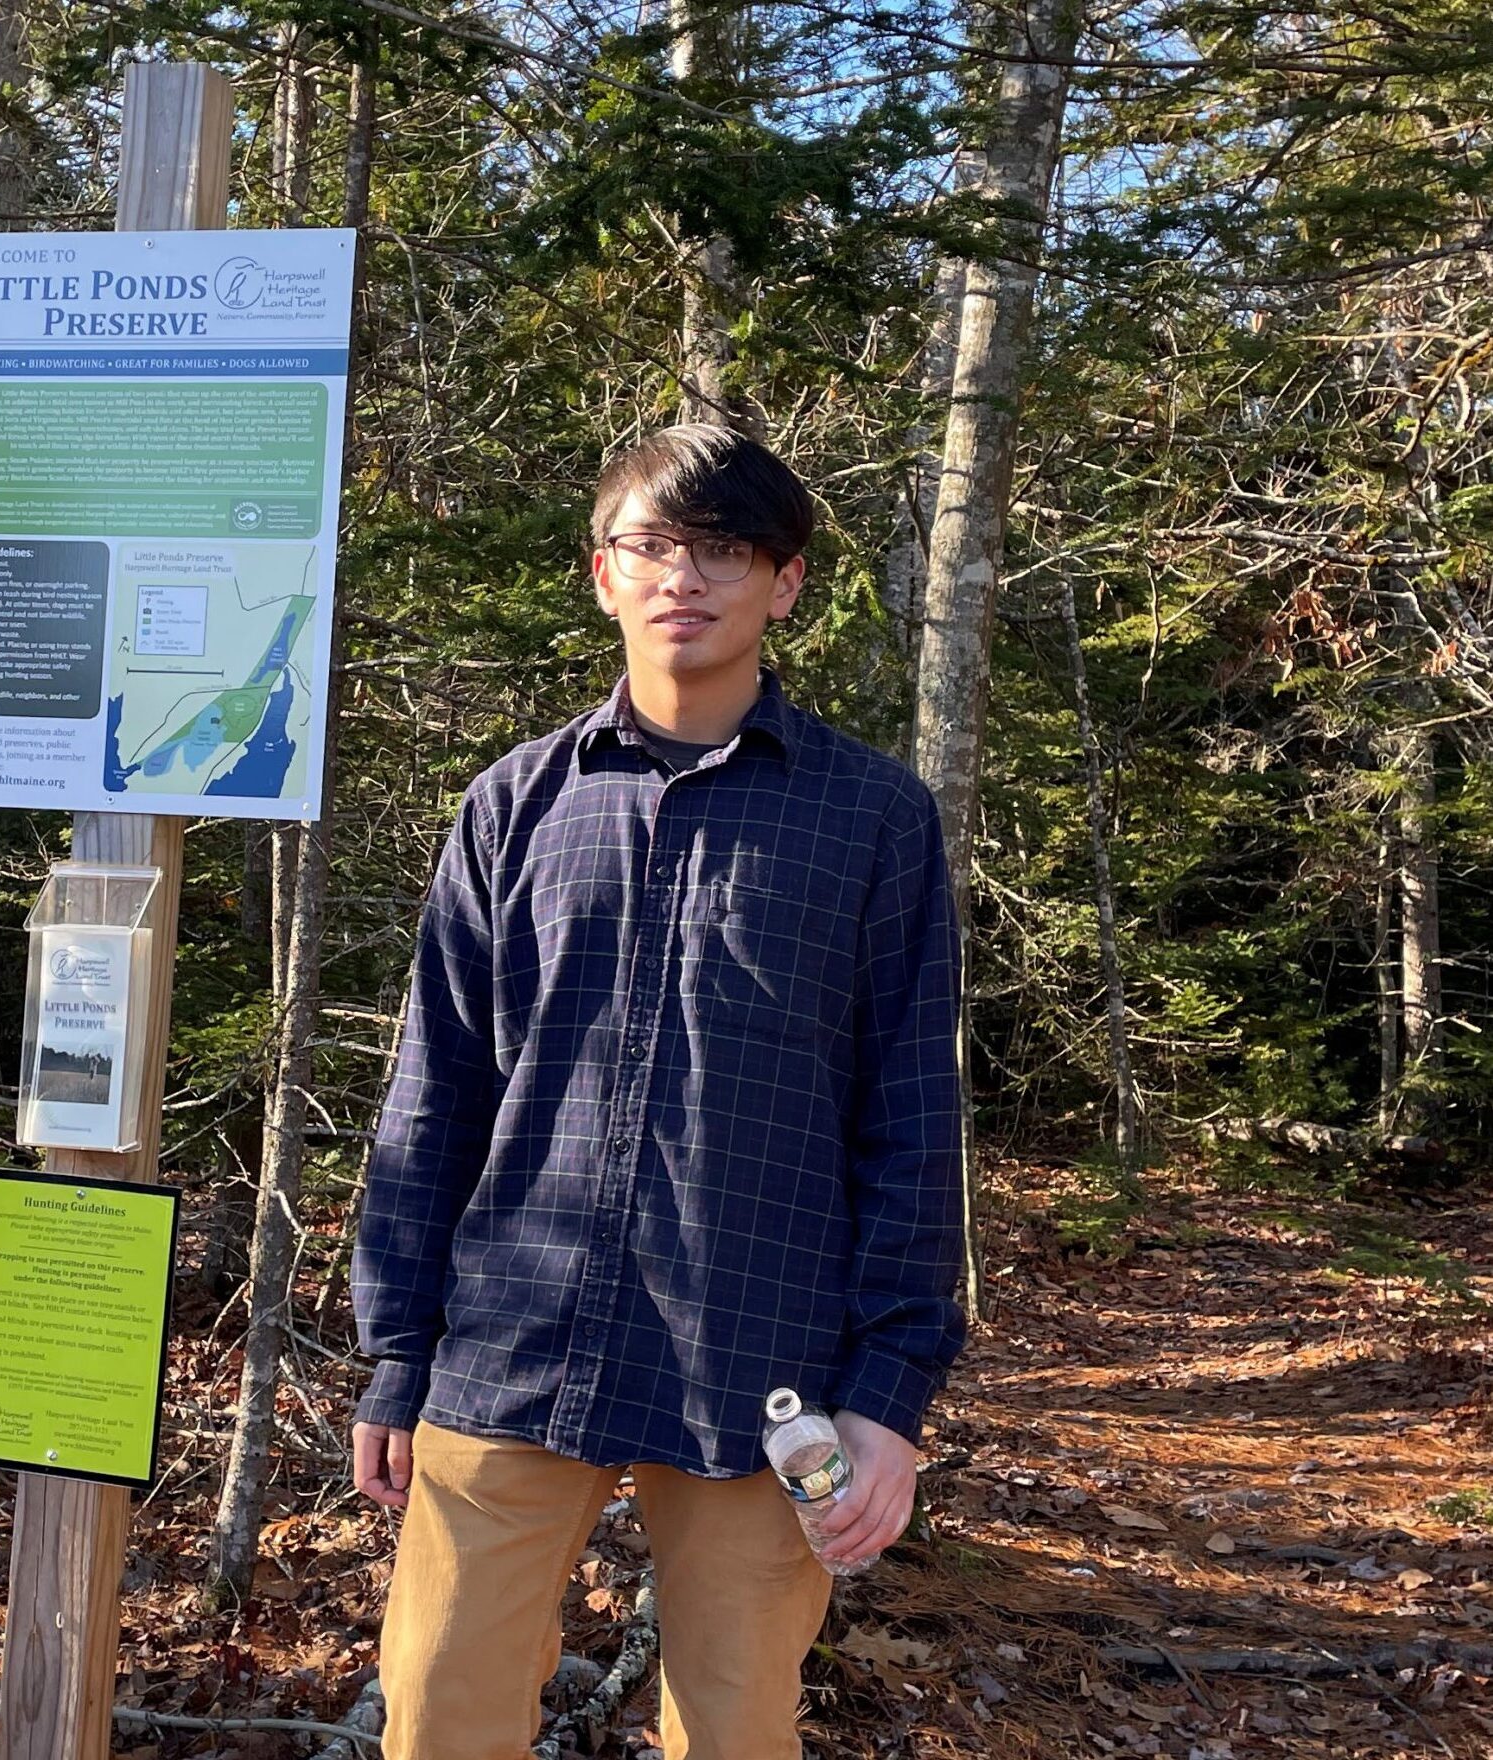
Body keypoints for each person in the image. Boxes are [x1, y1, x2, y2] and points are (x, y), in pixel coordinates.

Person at [351, 423, 965, 1760]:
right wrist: (399, 1351)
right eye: (653, 545)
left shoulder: (872, 820)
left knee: (738, 1728)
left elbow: (913, 1119)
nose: (684, 575)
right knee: (440, 1714)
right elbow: (434, 1096)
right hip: (511, 1348)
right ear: (603, 572)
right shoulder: (513, 808)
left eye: (725, 549)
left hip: (766, 1362)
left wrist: (891, 1393)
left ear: (783, 582)